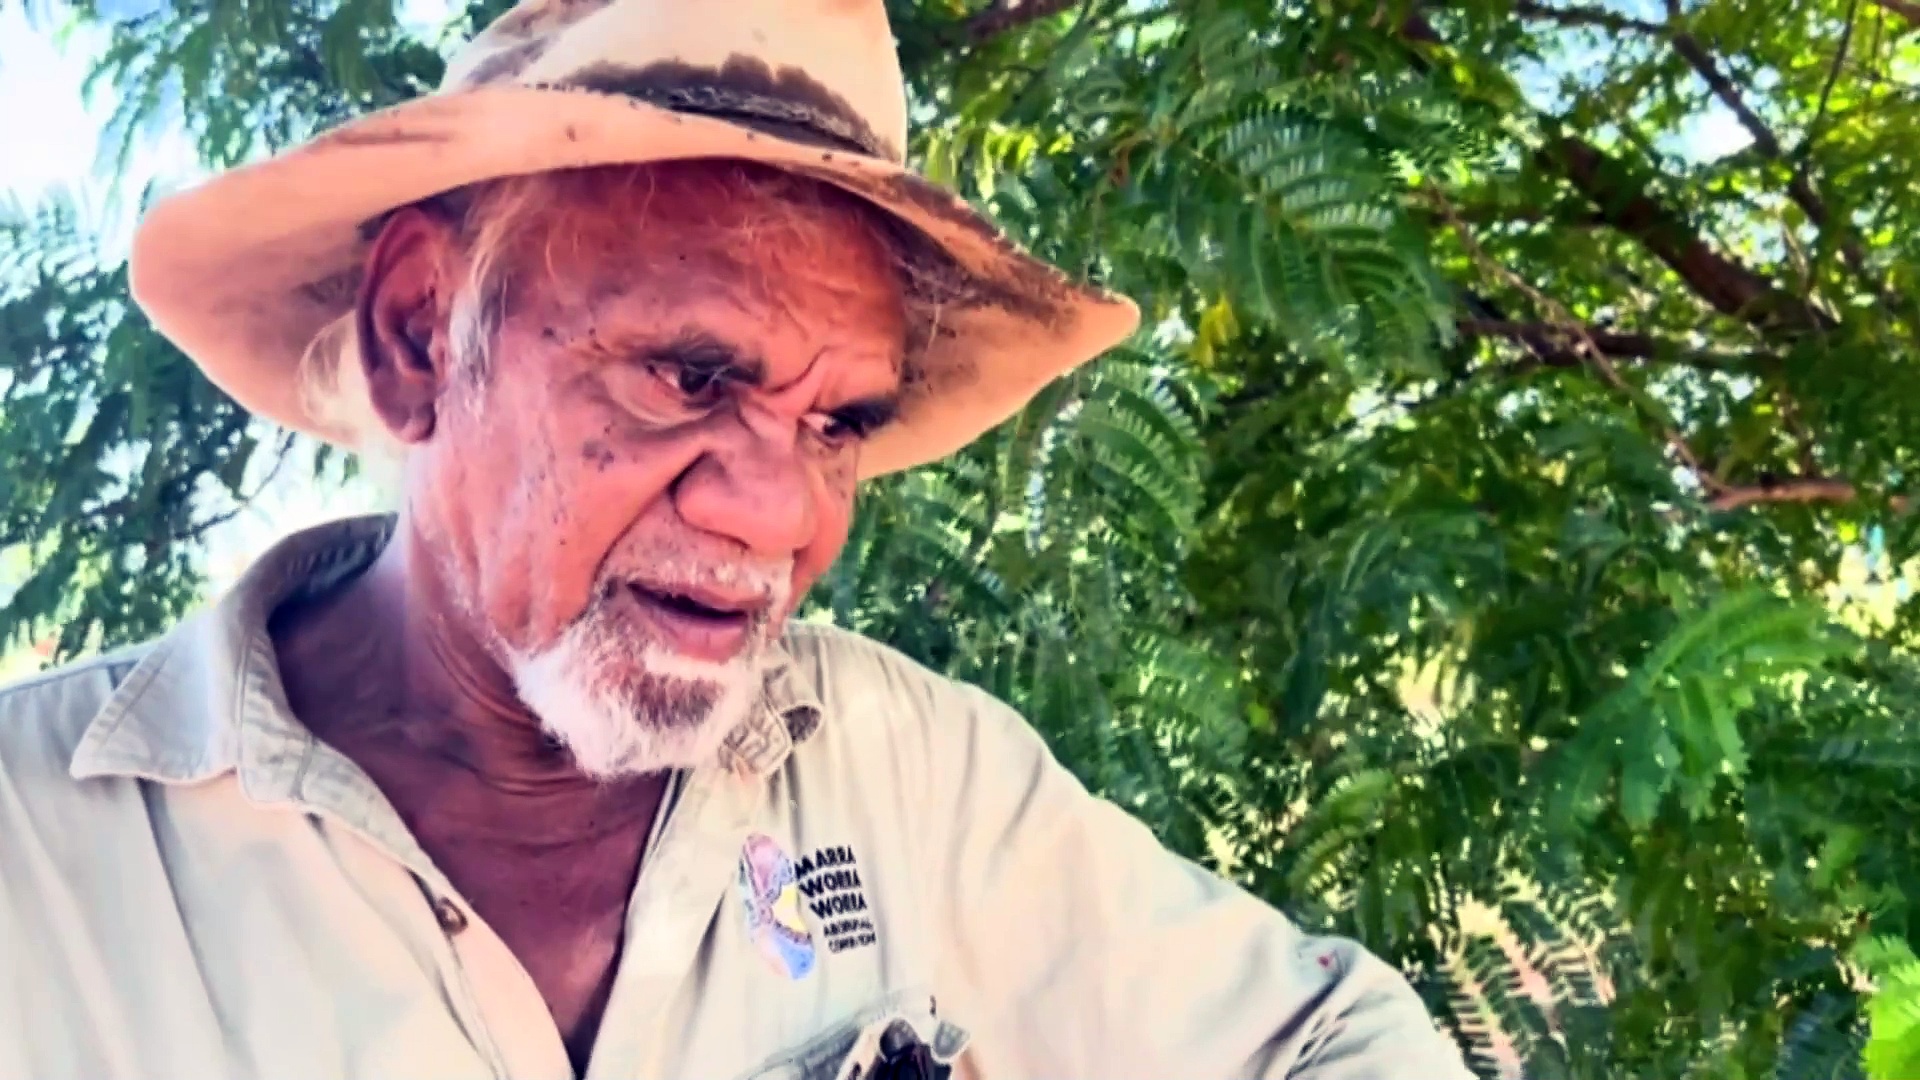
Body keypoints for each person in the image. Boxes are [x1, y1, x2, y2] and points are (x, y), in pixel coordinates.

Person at [0, 2, 1475, 1078]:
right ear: (417, 333)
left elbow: (1335, 1045)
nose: (775, 517)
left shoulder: (906, 769)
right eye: (688, 379)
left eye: (837, 426)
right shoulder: (39, 856)